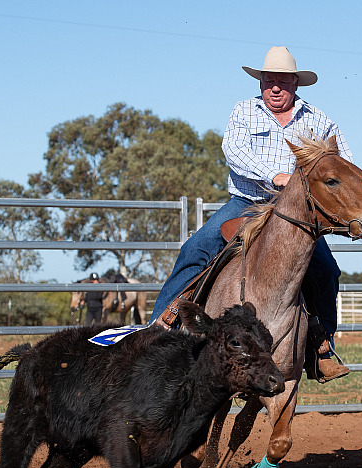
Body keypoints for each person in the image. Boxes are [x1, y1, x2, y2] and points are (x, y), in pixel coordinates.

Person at [150, 46, 350, 383]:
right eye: (268, 80)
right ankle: (158, 331)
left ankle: (321, 346)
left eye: (282, 82)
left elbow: (341, 162)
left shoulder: (319, 120)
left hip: (297, 214)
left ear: (295, 85)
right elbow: (235, 151)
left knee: (326, 271)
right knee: (196, 250)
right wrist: (278, 177)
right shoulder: (244, 111)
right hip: (247, 202)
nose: (274, 87)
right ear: (260, 83)